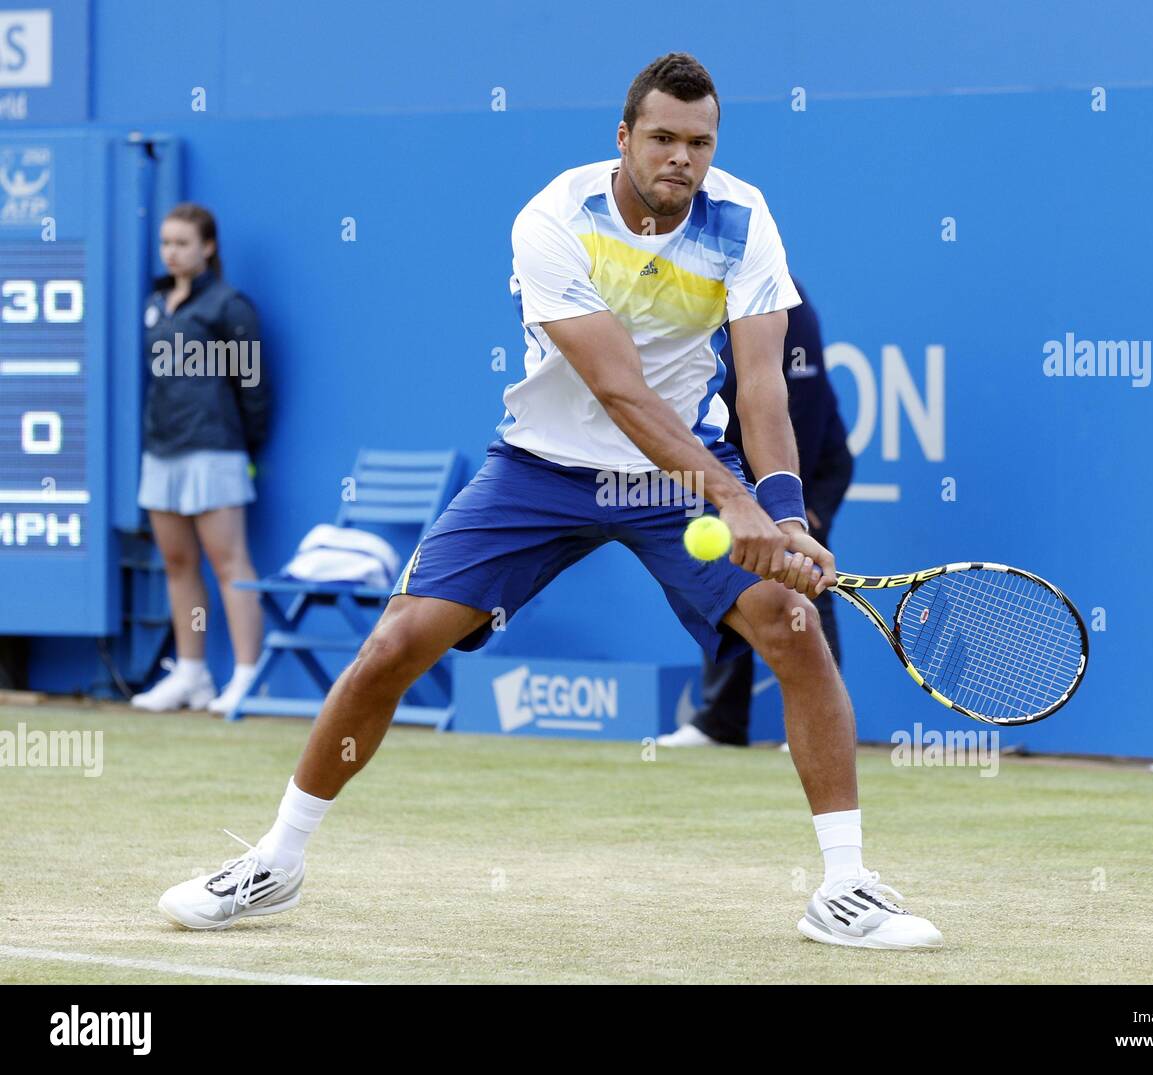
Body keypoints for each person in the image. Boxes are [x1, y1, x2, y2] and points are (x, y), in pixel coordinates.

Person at [157, 55, 942, 951]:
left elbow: (762, 384)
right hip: (546, 466)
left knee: (793, 627)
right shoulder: (555, 218)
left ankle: (844, 887)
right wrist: (738, 502)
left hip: (678, 478)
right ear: (624, 138)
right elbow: (620, 393)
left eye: (699, 142)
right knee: (395, 643)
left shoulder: (745, 216)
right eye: (663, 139)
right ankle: (277, 858)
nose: (682, 158)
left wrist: (786, 515)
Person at [658, 277, 853, 747]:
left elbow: (794, 406)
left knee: (803, 580)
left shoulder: (780, 297)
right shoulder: (685, 290)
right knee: (721, 579)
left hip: (803, 468)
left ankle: (818, 721)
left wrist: (786, 502)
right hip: (730, 467)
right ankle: (720, 721)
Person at [130, 203, 270, 715]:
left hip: (215, 450)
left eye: (182, 243)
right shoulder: (156, 303)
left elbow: (253, 386)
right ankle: (192, 674)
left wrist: (245, 449)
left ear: (207, 247)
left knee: (229, 563)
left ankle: (248, 676)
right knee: (177, 563)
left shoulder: (229, 306)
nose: (171, 252)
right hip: (161, 450)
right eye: (166, 243)